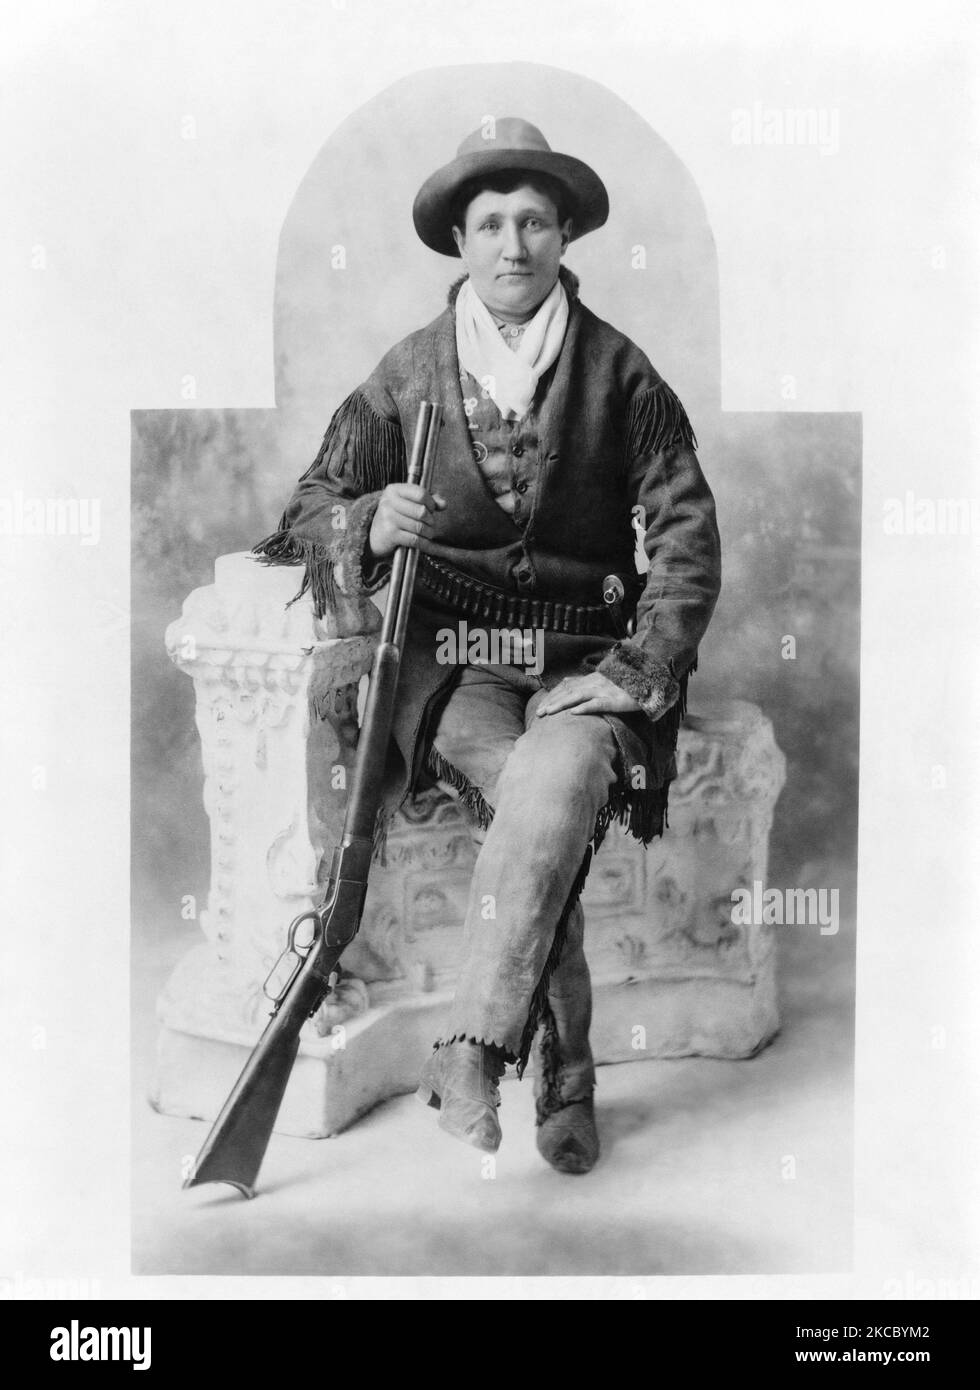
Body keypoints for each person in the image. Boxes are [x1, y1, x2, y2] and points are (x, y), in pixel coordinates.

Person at [255, 117, 722, 1174]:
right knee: (533, 804)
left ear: (563, 238)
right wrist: (367, 518)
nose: (513, 246)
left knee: (548, 785)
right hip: (455, 668)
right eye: (492, 224)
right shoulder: (409, 371)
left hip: (583, 666)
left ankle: (474, 1052)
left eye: (534, 224)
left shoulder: (620, 372)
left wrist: (631, 672)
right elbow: (306, 508)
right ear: (461, 243)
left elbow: (687, 543)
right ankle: (564, 1065)